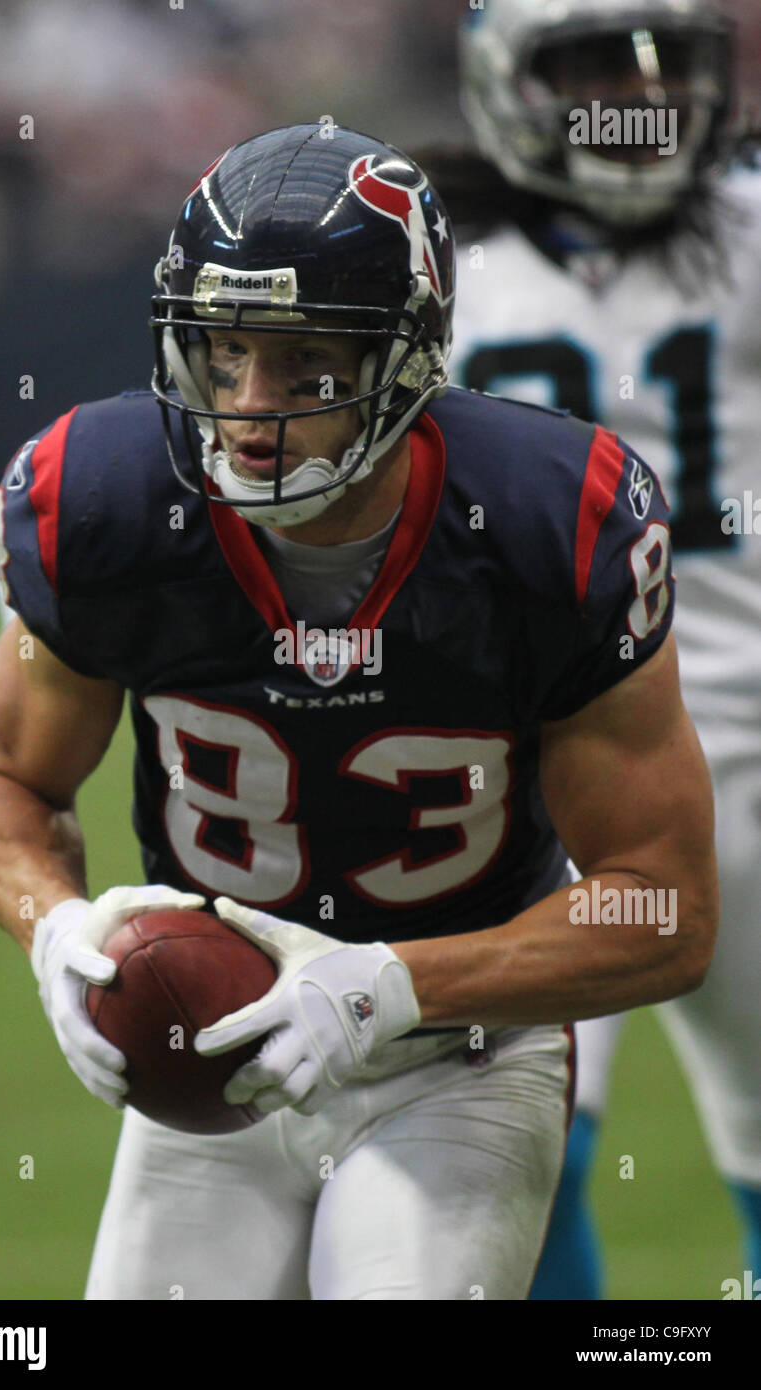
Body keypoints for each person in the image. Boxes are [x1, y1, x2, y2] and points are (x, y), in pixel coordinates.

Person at [0, 122, 717, 1301]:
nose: (250, 411)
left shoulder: (543, 527)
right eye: (221, 354)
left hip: (453, 1059)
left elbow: (662, 907)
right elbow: (5, 780)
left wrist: (394, 984)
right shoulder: (102, 501)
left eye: (308, 365)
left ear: (407, 360)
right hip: (210, 1061)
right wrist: (52, 925)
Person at [426, 0, 760, 1298]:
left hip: (742, 725)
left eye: (660, 62)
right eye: (588, 64)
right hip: (525, 752)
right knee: (510, 1149)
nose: (634, 95)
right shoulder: (433, 249)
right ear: (508, 79)